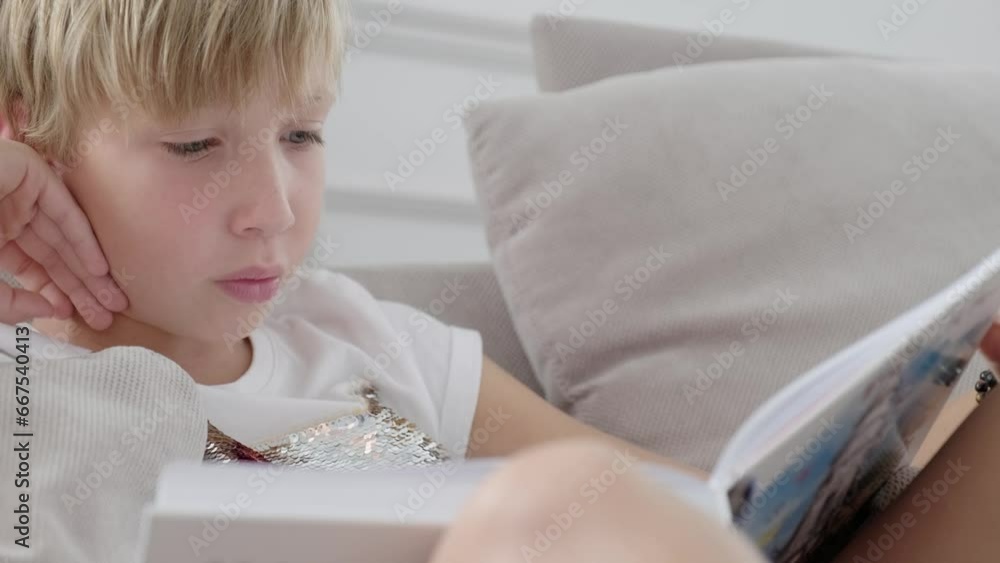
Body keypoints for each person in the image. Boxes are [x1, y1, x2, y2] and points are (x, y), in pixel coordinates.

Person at [0, 1, 997, 562]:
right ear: (31, 141)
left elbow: (698, 517)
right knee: (544, 502)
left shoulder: (368, 338)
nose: (271, 207)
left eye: (301, 134)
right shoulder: (25, 391)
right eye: (193, 145)